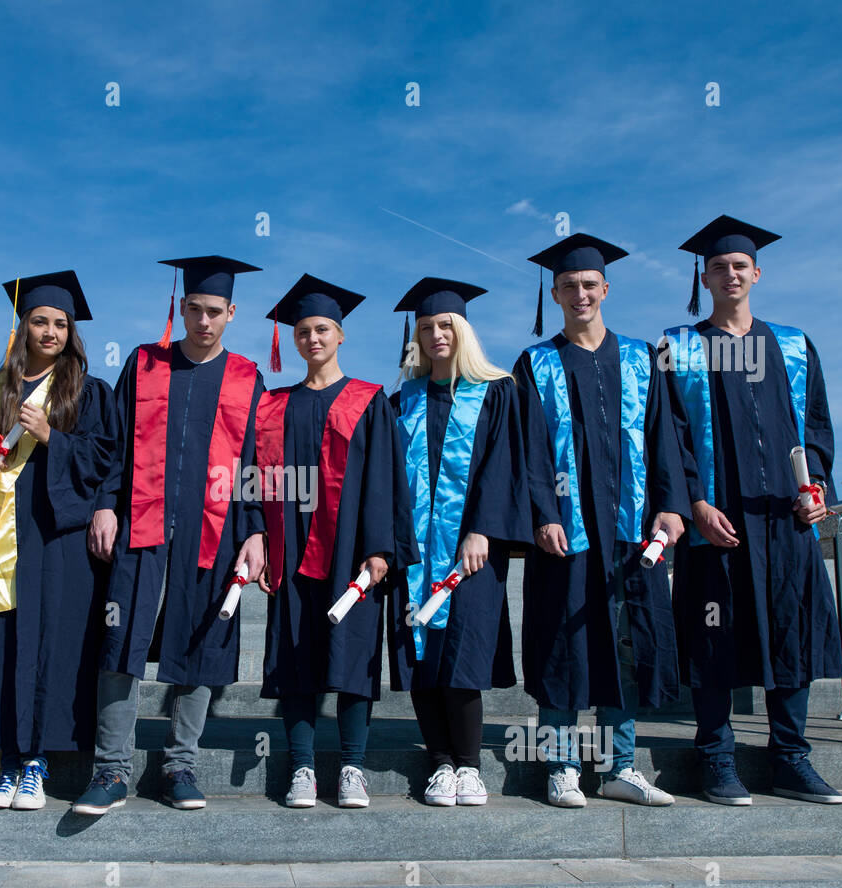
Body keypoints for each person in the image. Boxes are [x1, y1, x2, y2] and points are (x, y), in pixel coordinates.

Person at [660, 215, 842, 805]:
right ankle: (716, 757)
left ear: (756, 273)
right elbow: (669, 435)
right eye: (719, 266)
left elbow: (816, 425)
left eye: (740, 265)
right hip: (717, 522)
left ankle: (791, 759)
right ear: (705, 277)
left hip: (784, 522)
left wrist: (814, 485)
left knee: (790, 634)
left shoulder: (792, 344)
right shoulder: (678, 347)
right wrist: (694, 503)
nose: (730, 274)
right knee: (714, 637)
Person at [73, 256, 267, 815]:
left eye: (215, 312)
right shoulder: (144, 363)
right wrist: (107, 505)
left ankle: (180, 763)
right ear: (182, 308)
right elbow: (117, 442)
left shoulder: (247, 376)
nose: (204, 321)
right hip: (141, 521)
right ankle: (110, 769)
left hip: (217, 527)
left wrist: (254, 531)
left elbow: (255, 461)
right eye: (195, 310)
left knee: (201, 641)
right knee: (122, 640)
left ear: (231, 312)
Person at [514, 234, 689, 808]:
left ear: (605, 289)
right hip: (565, 533)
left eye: (590, 284)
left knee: (627, 642)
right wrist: (543, 512)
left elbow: (666, 440)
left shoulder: (643, 357)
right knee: (563, 640)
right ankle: (562, 767)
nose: (580, 293)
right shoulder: (535, 362)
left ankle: (621, 766)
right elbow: (529, 448)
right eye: (569, 285)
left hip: (632, 530)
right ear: (556, 293)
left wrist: (671, 505)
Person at [253, 274, 417, 809]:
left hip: (351, 550)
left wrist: (380, 549)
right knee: (296, 657)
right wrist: (260, 539)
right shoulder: (273, 406)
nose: (312, 339)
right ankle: (302, 768)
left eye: (322, 329)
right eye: (302, 331)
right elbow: (257, 481)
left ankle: (352, 767)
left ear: (340, 335)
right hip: (293, 549)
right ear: (293, 339)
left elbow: (386, 482)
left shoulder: (369, 401)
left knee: (352, 658)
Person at [0, 271, 119, 810]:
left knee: (51, 642)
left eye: (59, 323)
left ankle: (37, 763)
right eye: (38, 321)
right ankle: (6, 763)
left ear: (70, 332)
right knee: (2, 642)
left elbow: (106, 460)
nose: (48, 331)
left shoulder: (87, 391)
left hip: (57, 538)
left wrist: (53, 437)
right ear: (22, 327)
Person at [385, 278, 530, 807]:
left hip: (472, 553)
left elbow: (505, 466)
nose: (436, 333)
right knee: (422, 654)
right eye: (426, 327)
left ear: (462, 330)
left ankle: (469, 766)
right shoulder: (403, 400)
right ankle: (440, 763)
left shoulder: (496, 391)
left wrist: (482, 530)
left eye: (445, 325)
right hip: (416, 551)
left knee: (462, 655)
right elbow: (392, 479)